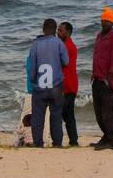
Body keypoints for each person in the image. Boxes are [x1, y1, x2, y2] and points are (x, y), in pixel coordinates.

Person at [25, 18, 70, 147]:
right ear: (55, 30)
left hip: (40, 87)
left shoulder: (35, 44)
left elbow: (32, 69)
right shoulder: (59, 43)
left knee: (38, 117)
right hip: (55, 86)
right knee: (56, 116)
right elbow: (66, 62)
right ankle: (57, 143)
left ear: (43, 30)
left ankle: (38, 144)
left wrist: (33, 80)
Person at [90, 6, 113, 150]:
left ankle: (111, 140)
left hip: (106, 82)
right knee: (98, 112)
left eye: (107, 21)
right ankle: (105, 137)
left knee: (108, 112)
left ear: (112, 23)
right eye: (103, 20)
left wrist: (109, 79)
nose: (104, 23)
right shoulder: (99, 36)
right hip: (96, 79)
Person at [58, 21, 80, 146]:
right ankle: (73, 141)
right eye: (58, 30)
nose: (58, 32)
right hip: (68, 85)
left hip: (68, 85)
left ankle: (70, 141)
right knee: (68, 115)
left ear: (68, 32)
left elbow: (61, 63)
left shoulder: (67, 46)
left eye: (61, 30)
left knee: (63, 115)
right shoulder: (66, 45)